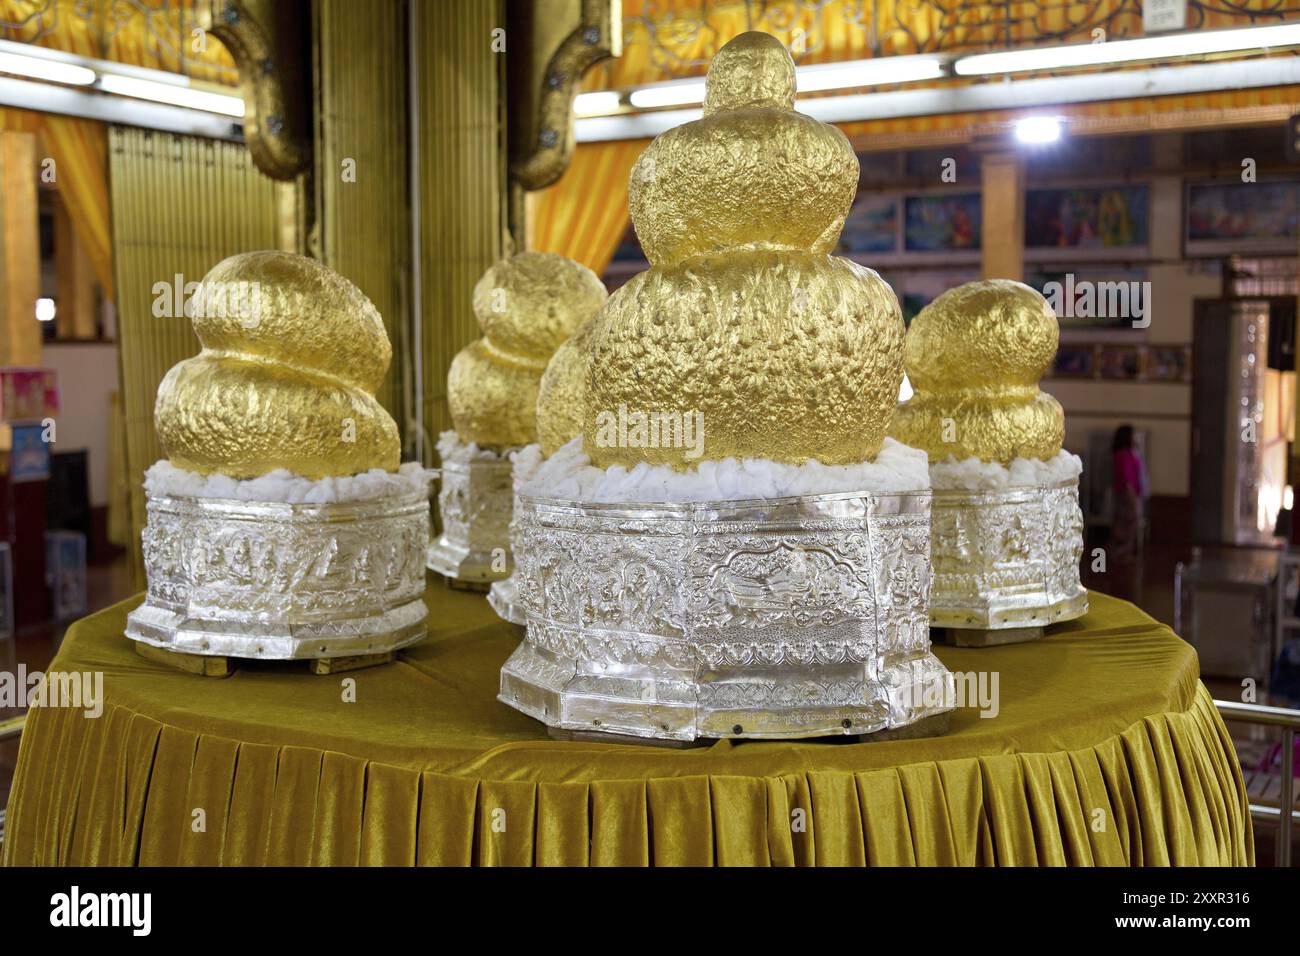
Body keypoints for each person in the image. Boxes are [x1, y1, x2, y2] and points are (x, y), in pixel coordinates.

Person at [1110, 424, 1148, 562]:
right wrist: (1131, 495)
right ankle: (1121, 551)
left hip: (1130, 492)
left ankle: (1123, 552)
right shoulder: (1123, 454)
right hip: (1127, 493)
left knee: (1127, 521)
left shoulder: (1128, 452)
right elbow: (1126, 476)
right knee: (1128, 522)